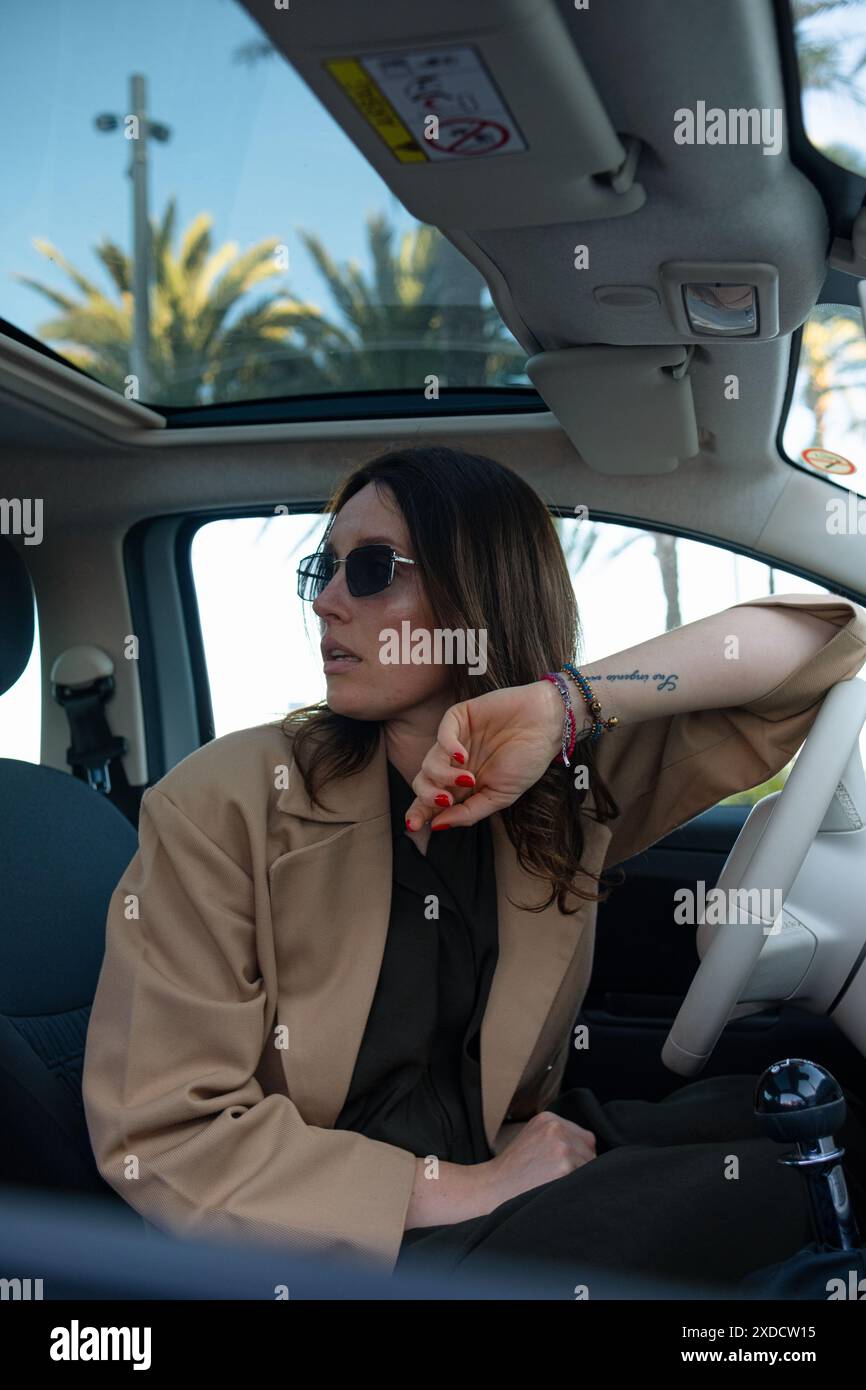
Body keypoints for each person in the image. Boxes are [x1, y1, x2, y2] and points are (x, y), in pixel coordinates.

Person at [83, 444, 866, 1290]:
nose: (329, 603)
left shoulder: (564, 780)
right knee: (780, 1192)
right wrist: (465, 1187)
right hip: (358, 1238)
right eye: (325, 570)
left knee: (821, 1127)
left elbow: (818, 650)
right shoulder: (228, 801)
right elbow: (160, 1134)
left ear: (479, 588)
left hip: (515, 1154)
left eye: (373, 569)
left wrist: (562, 702)